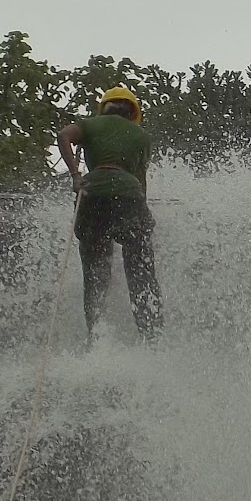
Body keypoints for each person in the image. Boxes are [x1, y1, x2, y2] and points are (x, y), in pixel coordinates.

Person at [57, 85, 163, 342]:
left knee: (95, 272)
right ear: (132, 112)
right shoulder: (141, 136)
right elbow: (140, 181)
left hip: (92, 196)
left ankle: (95, 335)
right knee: (140, 271)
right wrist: (142, 211)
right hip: (129, 196)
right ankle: (151, 336)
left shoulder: (90, 125)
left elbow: (63, 136)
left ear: (104, 107)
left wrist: (75, 175)